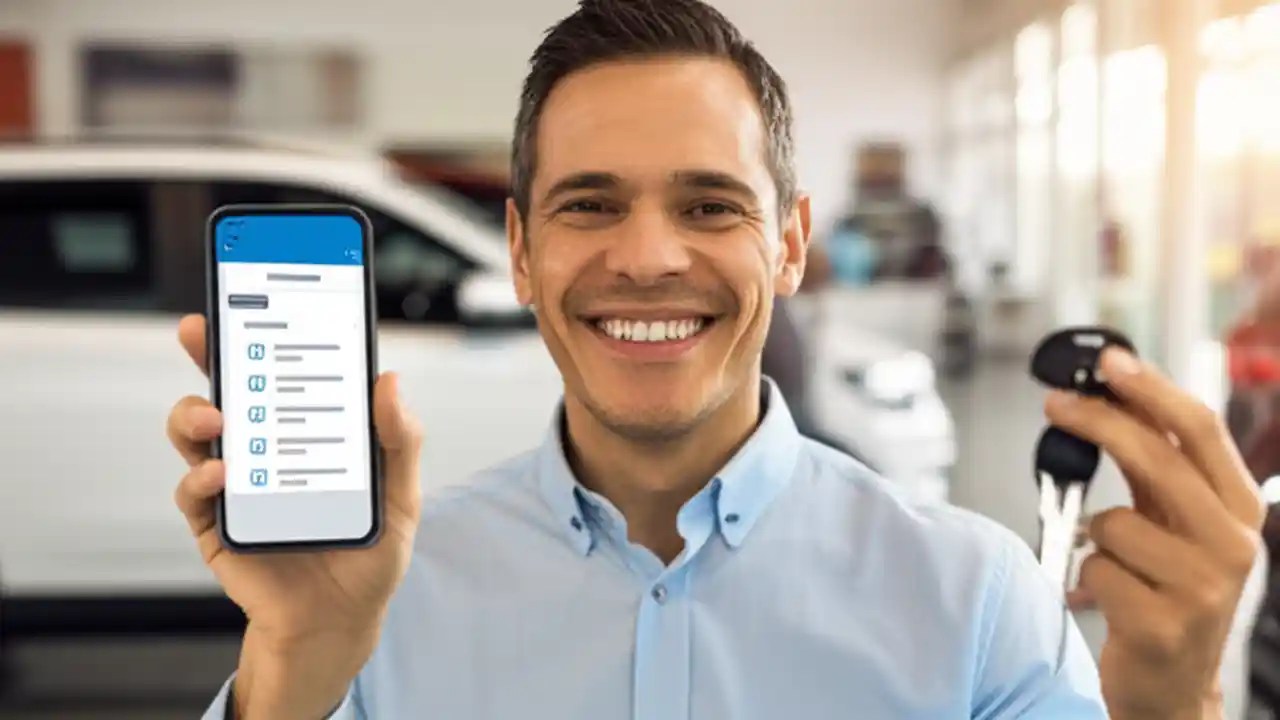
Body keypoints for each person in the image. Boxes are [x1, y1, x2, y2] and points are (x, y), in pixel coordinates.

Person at [167, 2, 1264, 717]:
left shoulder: (976, 600)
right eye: (589, 205)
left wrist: (1177, 704)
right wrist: (296, 662)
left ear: (788, 244)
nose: (647, 258)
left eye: (708, 205)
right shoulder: (375, 610)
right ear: (521, 253)